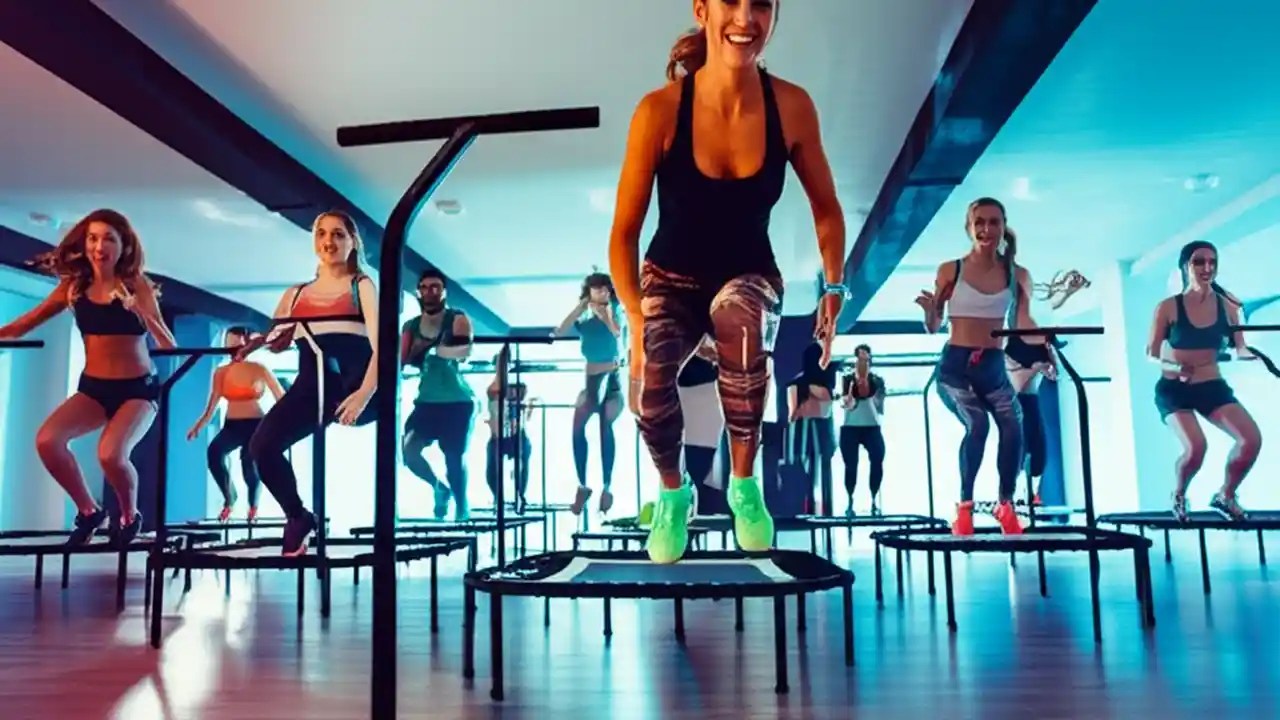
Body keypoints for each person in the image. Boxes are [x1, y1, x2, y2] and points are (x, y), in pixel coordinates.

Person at [608, 0, 847, 563]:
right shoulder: (659, 111)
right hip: (669, 274)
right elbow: (623, 234)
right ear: (702, 9)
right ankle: (674, 493)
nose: (746, 18)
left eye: (761, 5)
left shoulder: (790, 107)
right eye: (731, 3)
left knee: (740, 321)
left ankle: (743, 483)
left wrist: (834, 288)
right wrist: (637, 322)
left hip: (749, 272)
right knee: (651, 376)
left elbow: (828, 210)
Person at [0, 209, 176, 547]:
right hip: (93, 389)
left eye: (109, 238)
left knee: (111, 455)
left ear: (123, 246)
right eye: (93, 238)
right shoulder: (74, 288)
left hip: (137, 390)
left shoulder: (135, 284)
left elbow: (169, 343)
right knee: (47, 441)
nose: (99, 246)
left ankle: (128, 515)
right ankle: (89, 511)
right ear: (85, 244)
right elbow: (23, 324)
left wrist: (138, 310)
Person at [235, 210, 379, 556]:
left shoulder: (361, 286)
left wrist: (363, 393)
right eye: (322, 234)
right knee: (259, 449)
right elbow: (278, 336)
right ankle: (298, 516)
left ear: (352, 242)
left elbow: (382, 347)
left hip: (352, 381)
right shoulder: (296, 294)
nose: (329, 241)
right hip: (311, 383)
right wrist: (262, 342)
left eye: (338, 234)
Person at [915, 197, 1038, 536]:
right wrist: (929, 311)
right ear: (969, 228)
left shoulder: (1018, 274)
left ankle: (1005, 504)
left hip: (993, 366)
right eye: (979, 222)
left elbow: (1024, 323)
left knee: (1013, 425)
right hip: (956, 367)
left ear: (1003, 227)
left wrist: (1047, 347)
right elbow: (934, 325)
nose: (986, 229)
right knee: (978, 424)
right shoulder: (950, 269)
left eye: (994, 222)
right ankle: (964, 507)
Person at [1146, 240, 1261, 521]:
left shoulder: (1227, 307)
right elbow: (1150, 354)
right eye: (1199, 261)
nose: (1207, 267)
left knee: (1250, 440)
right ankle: (1179, 494)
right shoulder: (1168, 307)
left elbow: (1240, 347)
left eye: (1212, 261)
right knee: (1196, 448)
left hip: (1212, 387)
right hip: (1175, 389)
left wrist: (1253, 355)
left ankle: (1226, 495)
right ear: (1186, 266)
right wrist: (1174, 364)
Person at [185, 325, 286, 522]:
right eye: (229, 348)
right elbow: (212, 404)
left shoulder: (258, 369)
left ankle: (253, 505)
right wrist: (198, 425)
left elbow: (280, 396)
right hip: (232, 425)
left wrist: (283, 423)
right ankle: (229, 498)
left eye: (237, 347)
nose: (234, 353)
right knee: (214, 453)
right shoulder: (221, 372)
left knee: (249, 463)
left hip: (256, 424)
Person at [400, 268, 475, 520]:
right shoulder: (410, 326)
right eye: (425, 287)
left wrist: (432, 351)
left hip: (456, 401)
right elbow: (400, 361)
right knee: (409, 451)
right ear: (418, 292)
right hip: (427, 401)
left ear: (443, 292)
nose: (430, 292)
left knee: (453, 459)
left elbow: (464, 351)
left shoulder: (457, 318)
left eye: (435, 288)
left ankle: (462, 506)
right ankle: (439, 488)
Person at [552, 272, 623, 516]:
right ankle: (582, 485)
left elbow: (617, 332)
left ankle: (607, 486)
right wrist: (581, 306)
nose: (601, 293)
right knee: (577, 427)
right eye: (597, 289)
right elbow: (559, 331)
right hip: (590, 380)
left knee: (605, 425)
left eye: (605, 289)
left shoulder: (615, 309)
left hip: (612, 380)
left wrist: (605, 313)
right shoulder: (584, 312)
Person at [787, 342, 837, 515]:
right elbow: (827, 402)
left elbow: (792, 414)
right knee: (819, 470)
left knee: (807, 470)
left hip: (806, 429)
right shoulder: (826, 383)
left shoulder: (797, 383)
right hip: (817, 428)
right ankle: (818, 507)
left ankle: (809, 507)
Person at [839, 344, 886, 515]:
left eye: (865, 359)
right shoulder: (846, 380)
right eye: (859, 359)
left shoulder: (877, 381)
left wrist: (868, 386)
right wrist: (853, 390)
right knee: (851, 465)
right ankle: (850, 500)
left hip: (872, 426)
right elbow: (847, 404)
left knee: (878, 459)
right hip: (851, 427)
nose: (862, 362)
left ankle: (874, 499)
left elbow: (879, 406)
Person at [484, 352, 533, 513]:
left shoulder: (519, 386)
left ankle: (520, 494)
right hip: (498, 437)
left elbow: (522, 397)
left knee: (522, 457)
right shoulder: (493, 389)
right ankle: (498, 498)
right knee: (492, 460)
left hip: (516, 435)